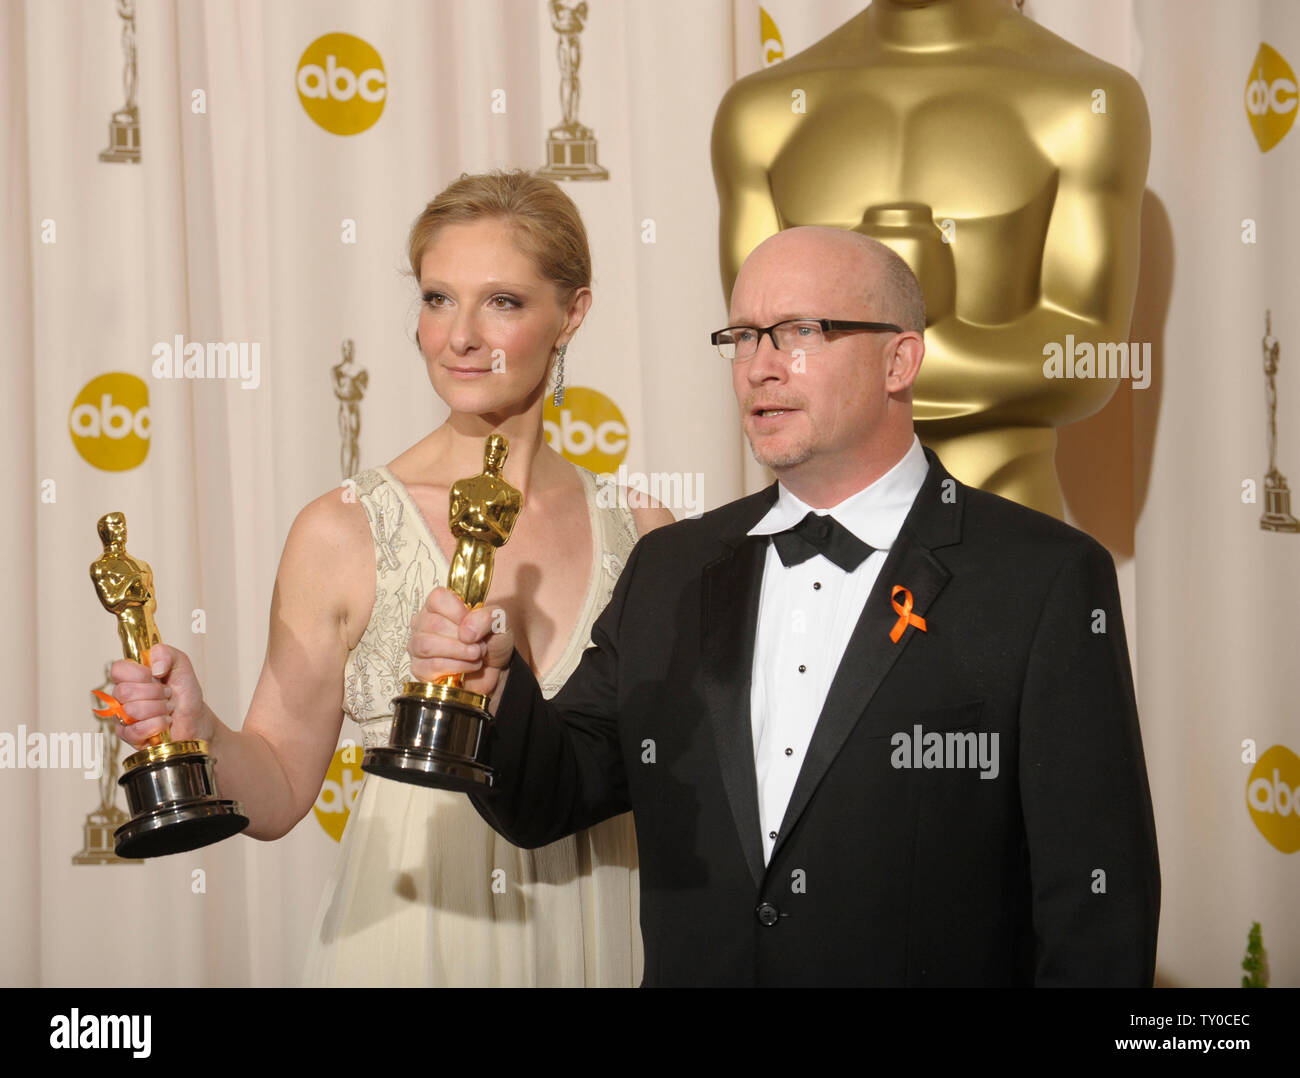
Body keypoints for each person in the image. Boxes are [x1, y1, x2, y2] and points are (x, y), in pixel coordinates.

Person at [413, 225, 1161, 987]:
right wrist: (496, 695)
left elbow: (1096, 909)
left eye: (802, 332)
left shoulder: (1042, 578)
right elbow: (556, 794)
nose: (761, 367)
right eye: (743, 337)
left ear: (899, 360)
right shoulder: (672, 566)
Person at [110, 169, 673, 986]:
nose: (461, 336)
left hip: (601, 928)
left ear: (572, 314)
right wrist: (201, 732)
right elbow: (274, 790)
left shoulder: (648, 533)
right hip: (419, 939)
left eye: (503, 302)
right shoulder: (343, 529)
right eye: (439, 298)